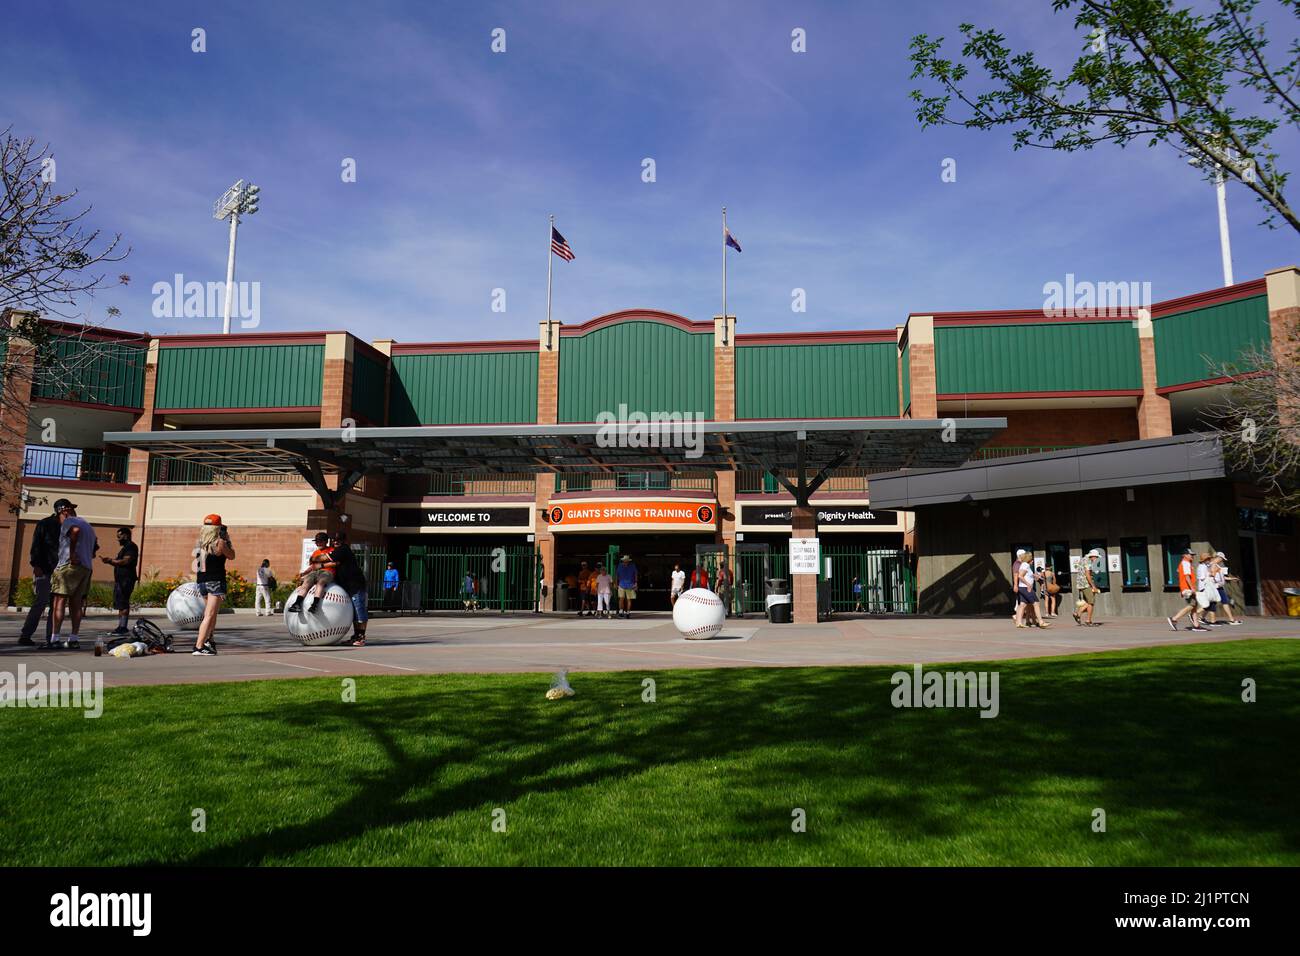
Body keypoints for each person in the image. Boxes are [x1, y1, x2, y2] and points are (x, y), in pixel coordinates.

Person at [17, 497, 66, 646]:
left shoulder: (69, 526)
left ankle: (51, 637)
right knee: (41, 602)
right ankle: (25, 635)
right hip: (44, 569)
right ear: (61, 510)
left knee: (56, 605)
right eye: (69, 509)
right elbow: (36, 545)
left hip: (61, 572)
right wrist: (36, 565)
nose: (72, 511)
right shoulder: (45, 524)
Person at [49, 500, 97, 650]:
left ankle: (55, 639)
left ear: (62, 511)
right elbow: (94, 547)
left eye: (59, 516)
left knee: (59, 601)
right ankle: (73, 639)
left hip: (68, 567)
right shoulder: (87, 524)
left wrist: (72, 554)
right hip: (85, 567)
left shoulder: (69, 521)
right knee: (76, 604)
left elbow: (75, 531)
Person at [192, 514, 234, 656]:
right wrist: (227, 540)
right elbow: (232, 555)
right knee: (209, 615)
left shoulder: (200, 543)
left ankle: (209, 639)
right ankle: (199, 646)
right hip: (216, 580)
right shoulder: (220, 542)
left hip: (202, 580)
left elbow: (200, 563)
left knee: (212, 614)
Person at [99, 526, 138, 634]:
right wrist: (110, 561)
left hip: (127, 579)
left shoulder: (131, 547)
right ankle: (120, 626)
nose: (118, 539)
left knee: (124, 602)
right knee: (120, 603)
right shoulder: (125, 548)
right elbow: (119, 562)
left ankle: (123, 627)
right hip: (121, 579)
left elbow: (125, 561)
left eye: (119, 536)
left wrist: (110, 560)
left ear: (126, 535)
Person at [332, 532, 369, 646]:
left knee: (359, 611)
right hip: (349, 586)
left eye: (338, 539)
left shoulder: (343, 549)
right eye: (334, 539)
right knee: (354, 613)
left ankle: (361, 637)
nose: (336, 541)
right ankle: (356, 636)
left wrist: (316, 561)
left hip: (355, 585)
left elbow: (327, 558)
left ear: (343, 540)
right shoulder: (338, 550)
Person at [288, 532, 336, 613]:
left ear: (326, 541)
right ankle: (297, 604)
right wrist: (304, 573)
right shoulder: (315, 553)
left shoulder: (332, 550)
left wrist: (322, 565)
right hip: (315, 572)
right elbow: (312, 566)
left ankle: (315, 605)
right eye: (317, 541)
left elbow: (335, 563)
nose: (318, 543)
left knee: (320, 583)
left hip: (327, 571)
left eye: (320, 541)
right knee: (306, 582)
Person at [1168, 547, 1204, 631]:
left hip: (1187, 587)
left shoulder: (1185, 563)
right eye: (1190, 555)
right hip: (1188, 588)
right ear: (1185, 555)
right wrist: (1192, 587)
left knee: (1194, 606)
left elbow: (1178, 572)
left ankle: (1196, 625)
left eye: (1192, 555)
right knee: (1192, 605)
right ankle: (1174, 619)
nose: (1192, 556)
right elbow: (1187, 576)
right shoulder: (1186, 563)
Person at [1072, 549, 1101, 626]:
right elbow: (1087, 574)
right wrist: (1093, 586)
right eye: (1096, 557)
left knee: (1087, 602)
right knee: (1091, 602)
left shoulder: (1083, 560)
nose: (1097, 559)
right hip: (1086, 584)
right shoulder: (1088, 562)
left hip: (1081, 584)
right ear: (1093, 556)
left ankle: (1077, 614)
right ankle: (1088, 620)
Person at [1213, 551, 1243, 626]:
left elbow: (1222, 577)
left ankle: (1231, 619)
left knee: (1224, 601)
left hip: (1219, 587)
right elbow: (1212, 576)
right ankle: (1197, 615)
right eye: (1222, 559)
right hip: (1215, 587)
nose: (1222, 560)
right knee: (1210, 603)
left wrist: (1232, 578)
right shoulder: (1213, 565)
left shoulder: (1217, 565)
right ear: (1218, 557)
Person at [615, 554, 638, 618]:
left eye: (627, 560)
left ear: (628, 561)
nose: (626, 561)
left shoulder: (632, 566)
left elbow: (636, 574)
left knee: (628, 599)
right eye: (625, 560)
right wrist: (616, 583)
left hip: (630, 585)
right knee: (621, 599)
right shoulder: (620, 566)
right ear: (623, 561)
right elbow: (617, 575)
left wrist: (636, 583)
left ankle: (628, 613)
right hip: (621, 584)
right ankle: (621, 611)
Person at [1010, 549, 1027, 621]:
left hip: (1023, 585)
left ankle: (1023, 618)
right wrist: (1016, 585)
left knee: (1023, 602)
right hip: (1021, 585)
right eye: (1024, 554)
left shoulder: (1021, 563)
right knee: (1022, 602)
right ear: (1020, 556)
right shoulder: (1017, 564)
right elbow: (1015, 574)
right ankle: (1016, 616)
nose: (1025, 556)